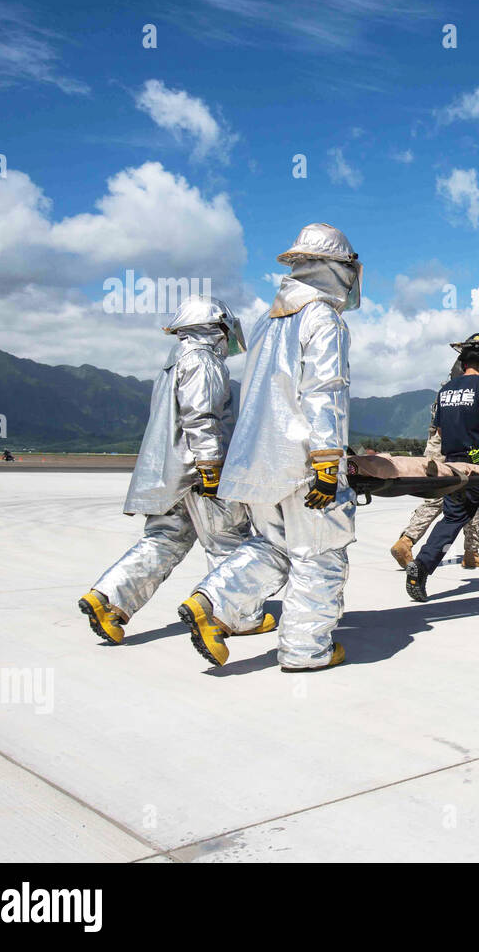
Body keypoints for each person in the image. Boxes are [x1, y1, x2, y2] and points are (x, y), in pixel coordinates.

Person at [179, 223, 360, 672]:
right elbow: (324, 390)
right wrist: (326, 461)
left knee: (273, 548)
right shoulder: (322, 318)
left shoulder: (267, 322)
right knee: (319, 556)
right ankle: (306, 651)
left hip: (256, 464)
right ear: (335, 268)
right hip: (302, 463)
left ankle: (213, 602)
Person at [78, 296, 274, 644]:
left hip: (170, 475)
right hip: (201, 473)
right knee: (229, 541)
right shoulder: (204, 362)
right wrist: (211, 467)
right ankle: (234, 614)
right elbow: (201, 417)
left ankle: (109, 599)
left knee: (164, 541)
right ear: (216, 327)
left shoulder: (174, 364)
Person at [405, 333, 479, 602]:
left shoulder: (445, 391)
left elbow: (439, 429)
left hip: (454, 466)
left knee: (452, 519)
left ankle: (421, 567)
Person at [390, 360, 479, 571]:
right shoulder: (468, 394)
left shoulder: (445, 393)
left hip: (435, 445)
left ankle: (471, 551)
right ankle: (408, 541)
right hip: (457, 446)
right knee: (471, 492)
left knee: (448, 496)